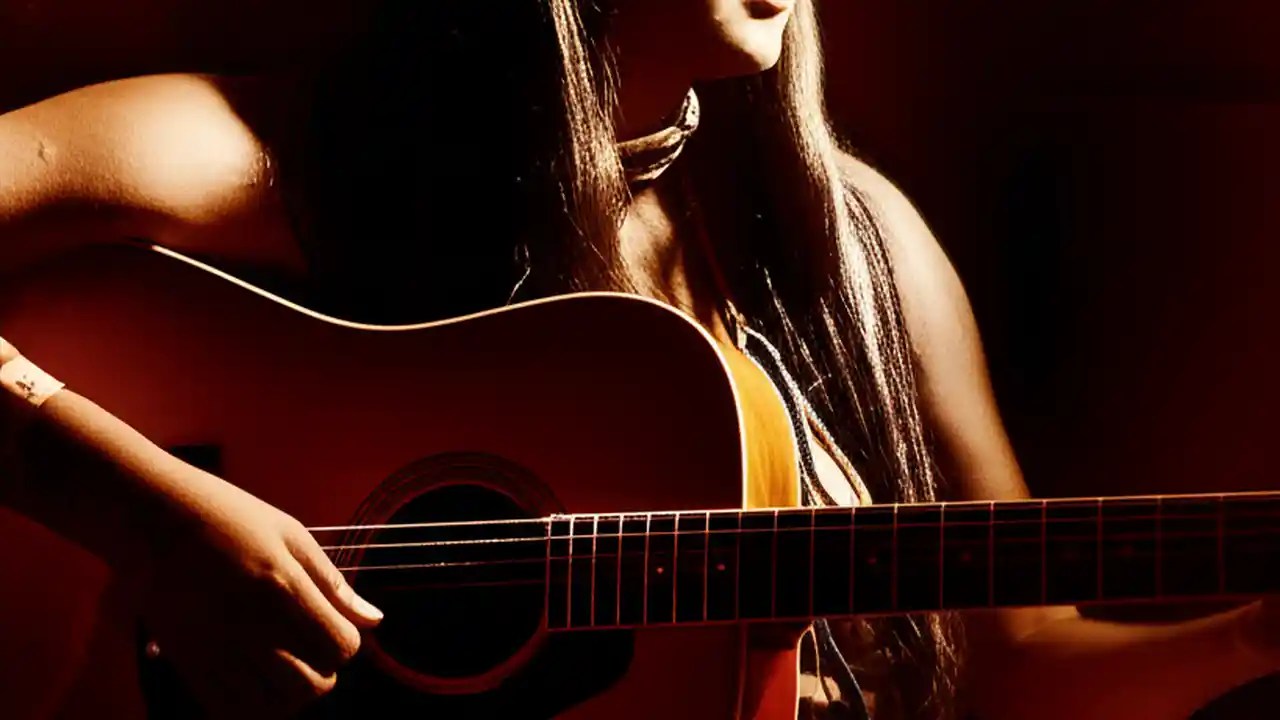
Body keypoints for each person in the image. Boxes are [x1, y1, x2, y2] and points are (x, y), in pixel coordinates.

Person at [0, 1, 1277, 718]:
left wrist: (1242, 638)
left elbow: (1005, 666)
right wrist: (134, 510)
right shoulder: (283, 159)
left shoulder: (860, 246)